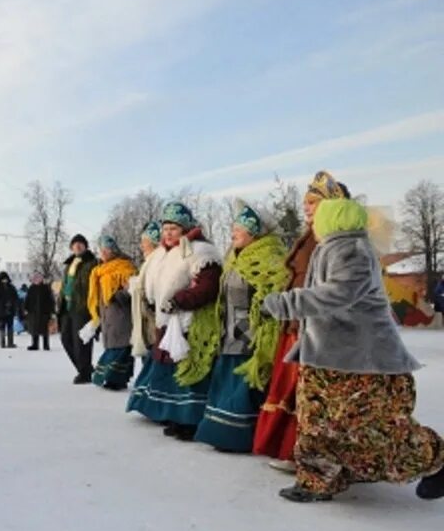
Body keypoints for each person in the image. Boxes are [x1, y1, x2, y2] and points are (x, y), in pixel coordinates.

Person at [262, 198, 444, 503]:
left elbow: (338, 294)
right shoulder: (329, 247)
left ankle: (435, 458)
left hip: (362, 362)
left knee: (370, 429)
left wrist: (284, 304)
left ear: (331, 221)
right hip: (325, 357)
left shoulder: (352, 250)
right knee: (317, 424)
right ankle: (318, 480)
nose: (311, 222)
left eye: (316, 217)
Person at [253, 172, 348, 470]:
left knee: (311, 393)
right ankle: (293, 450)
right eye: (305, 203)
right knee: (294, 389)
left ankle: (310, 457)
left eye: (313, 202)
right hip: (296, 324)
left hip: (317, 330)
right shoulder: (312, 235)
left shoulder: (335, 240)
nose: (306, 207)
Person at [194, 203, 287, 452]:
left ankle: (240, 437)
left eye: (239, 229)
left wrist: (260, 318)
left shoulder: (267, 257)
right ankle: (221, 433)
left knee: (242, 390)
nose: (233, 232)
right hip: (229, 332)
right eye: (233, 228)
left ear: (254, 234)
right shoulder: (234, 258)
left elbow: (274, 292)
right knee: (227, 385)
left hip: (250, 336)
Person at [126, 203, 223, 441]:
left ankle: (190, 419)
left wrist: (180, 300)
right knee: (169, 370)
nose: (168, 233)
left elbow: (207, 287)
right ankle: (175, 415)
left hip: (189, 321)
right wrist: (151, 300)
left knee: (188, 371)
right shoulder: (162, 254)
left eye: (173, 228)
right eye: (165, 228)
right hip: (166, 321)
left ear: (185, 228)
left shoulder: (201, 251)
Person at [85, 237, 137, 390]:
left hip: (121, 313)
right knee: (113, 348)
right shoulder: (99, 271)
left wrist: (118, 295)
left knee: (120, 349)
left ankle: (116, 380)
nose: (104, 253)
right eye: (102, 250)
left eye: (107, 250)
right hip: (107, 314)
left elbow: (132, 289)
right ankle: (114, 379)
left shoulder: (125, 267)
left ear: (114, 251)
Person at [127, 221, 164, 412]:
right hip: (147, 320)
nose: (142, 245)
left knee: (153, 360)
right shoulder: (150, 261)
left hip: (153, 320)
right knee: (149, 360)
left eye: (145, 241)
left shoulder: (157, 261)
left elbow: (155, 291)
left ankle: (151, 402)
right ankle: (149, 402)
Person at [58, 235, 98, 384]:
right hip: (67, 307)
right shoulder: (69, 264)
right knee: (66, 339)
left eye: (81, 244)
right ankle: (85, 369)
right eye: (75, 244)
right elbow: (66, 284)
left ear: (86, 246)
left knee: (81, 341)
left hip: (82, 307)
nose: (77, 246)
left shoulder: (92, 263)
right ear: (71, 247)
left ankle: (84, 372)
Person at [23, 273, 54, 351]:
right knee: (34, 329)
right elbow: (27, 299)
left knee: (44, 329)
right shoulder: (31, 288)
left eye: (39, 278)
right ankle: (35, 344)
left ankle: (46, 345)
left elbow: (50, 300)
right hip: (33, 312)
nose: (37, 280)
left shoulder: (45, 288)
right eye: (35, 279)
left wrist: (51, 310)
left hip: (44, 312)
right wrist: (26, 308)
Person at [0, 272, 21, 349]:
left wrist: (13, 304)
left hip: (10, 309)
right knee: (2, 326)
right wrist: (4, 303)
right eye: (3, 279)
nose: (4, 280)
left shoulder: (11, 287)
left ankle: (10, 343)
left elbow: (16, 297)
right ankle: (2, 343)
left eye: (5, 278)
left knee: (10, 326)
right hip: (1, 310)